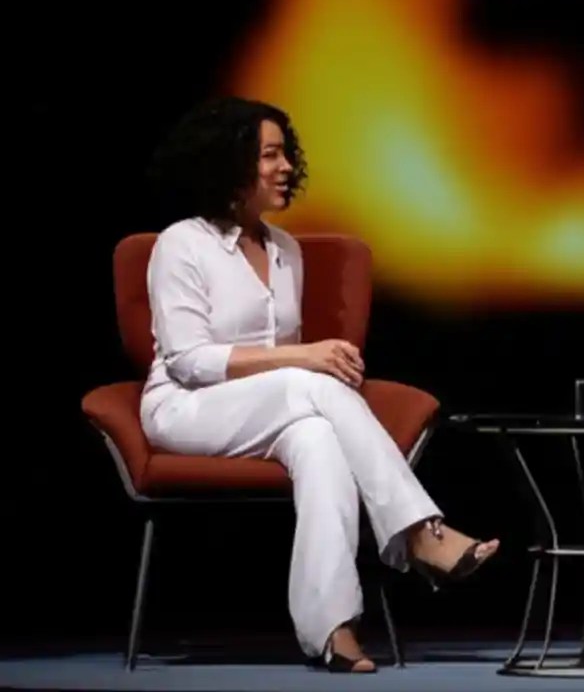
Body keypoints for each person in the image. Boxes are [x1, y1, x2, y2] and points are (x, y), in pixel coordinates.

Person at [139, 97, 500, 673]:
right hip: (184, 409)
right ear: (228, 163)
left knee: (319, 440)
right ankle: (418, 533)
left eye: (287, 155)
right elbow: (187, 361)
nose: (286, 168)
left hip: (260, 408)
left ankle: (333, 629)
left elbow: (284, 370)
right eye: (270, 155)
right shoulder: (182, 244)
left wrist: (301, 363)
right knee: (318, 387)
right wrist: (306, 357)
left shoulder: (287, 252)